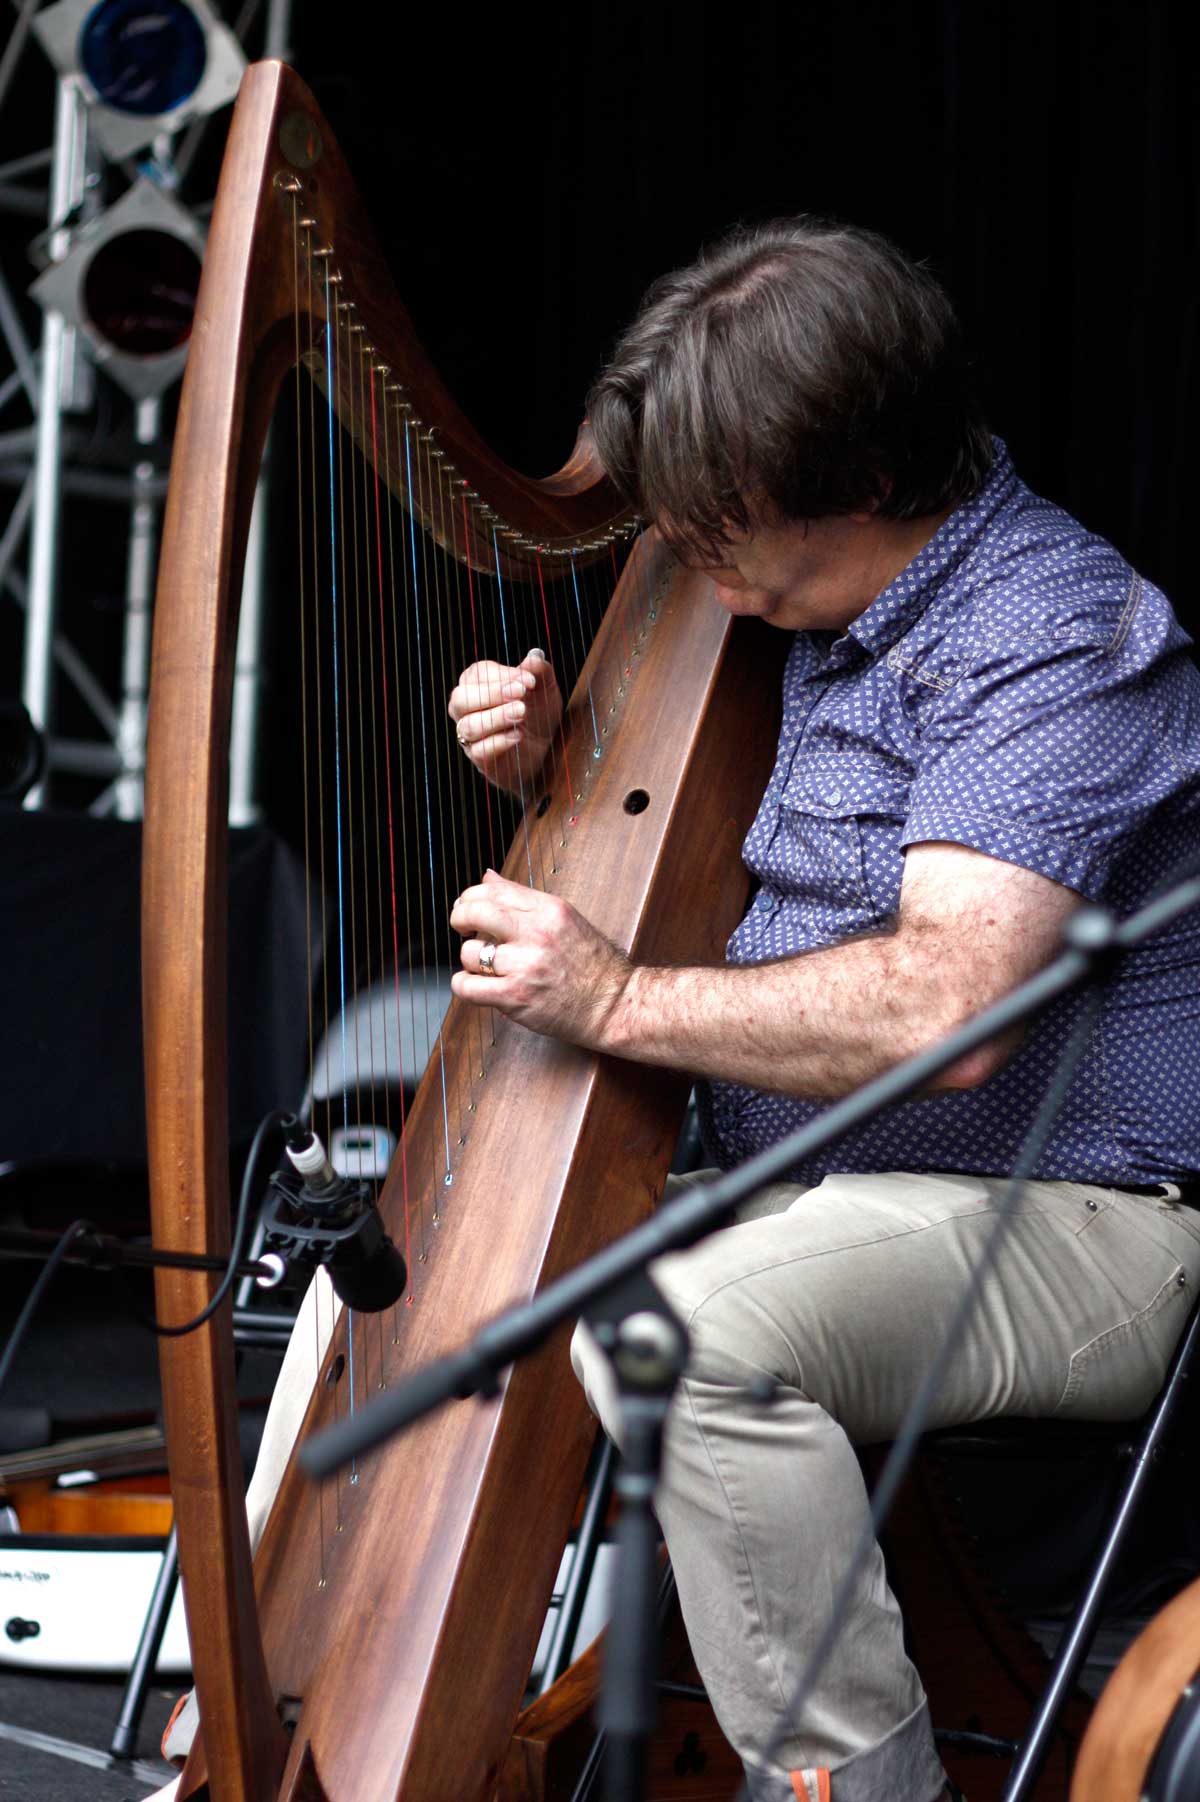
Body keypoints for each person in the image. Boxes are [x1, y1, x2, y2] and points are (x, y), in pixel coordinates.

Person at [446, 217, 1200, 1802]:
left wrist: (620, 993)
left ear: (854, 485)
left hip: (1080, 1210)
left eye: (711, 520)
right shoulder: (781, 605)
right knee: (392, 1276)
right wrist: (548, 768)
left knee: (681, 1337)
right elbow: (690, 840)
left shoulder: (1052, 633)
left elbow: (951, 1004)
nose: (679, 548)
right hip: (808, 1186)